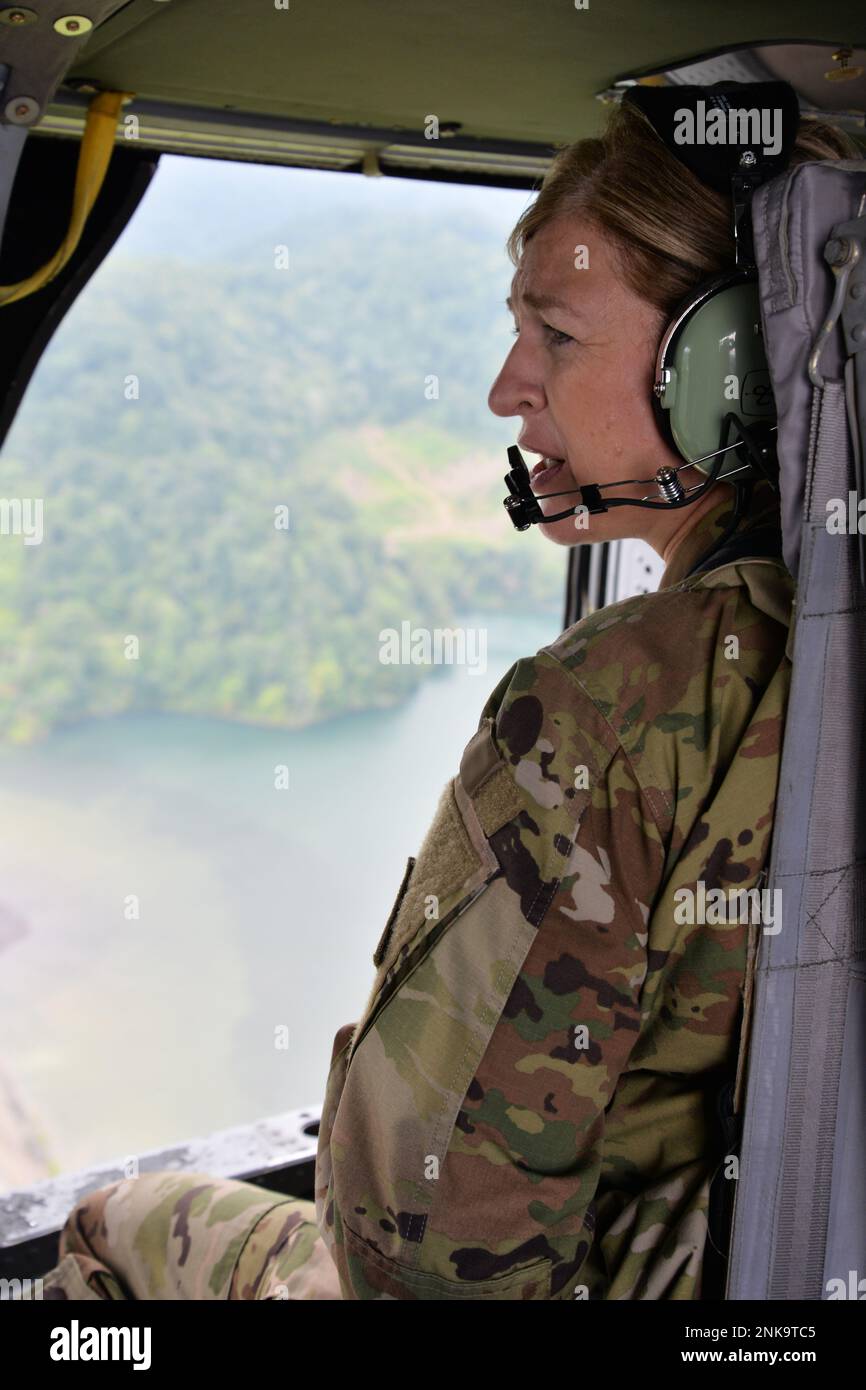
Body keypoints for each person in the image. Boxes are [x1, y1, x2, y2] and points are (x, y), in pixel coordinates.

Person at [35, 93, 857, 1302]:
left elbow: (414, 1250)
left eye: (556, 335)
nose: (505, 389)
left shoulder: (611, 706)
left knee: (120, 1218)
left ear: (719, 361)